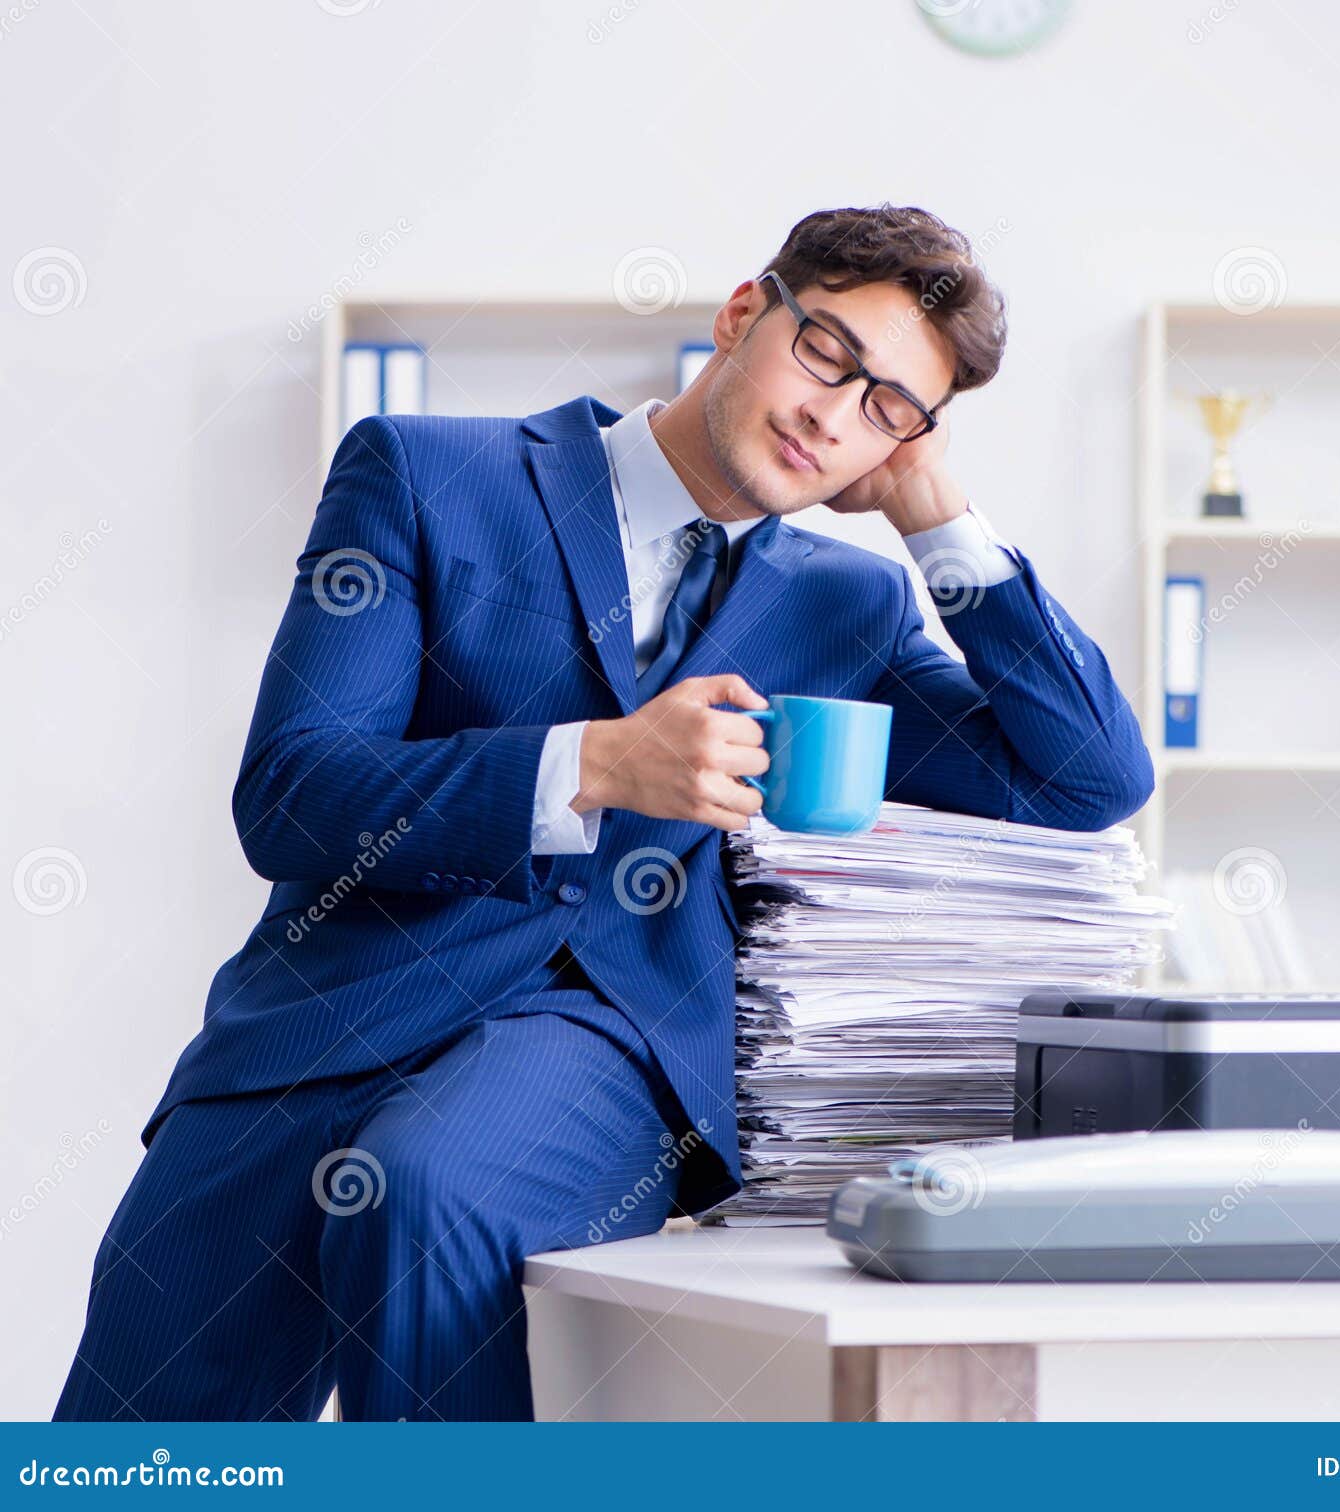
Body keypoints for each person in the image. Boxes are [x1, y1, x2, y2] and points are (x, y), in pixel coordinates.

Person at [55, 205, 1153, 1422]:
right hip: (322, 1024)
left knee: (430, 1188)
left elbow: (1083, 779)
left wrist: (935, 513)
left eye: (889, 409)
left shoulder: (853, 604)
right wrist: (590, 763)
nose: (833, 416)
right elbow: (293, 794)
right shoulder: (428, 472)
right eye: (828, 354)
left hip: (606, 1042)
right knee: (129, 1452)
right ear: (745, 312)